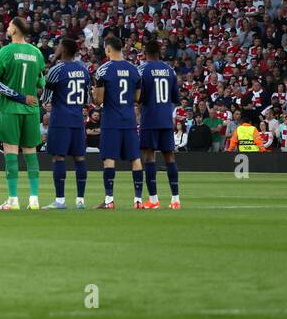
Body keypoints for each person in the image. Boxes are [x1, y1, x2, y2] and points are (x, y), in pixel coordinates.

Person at [0, 18, 45, 210]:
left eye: (8, 26)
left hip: (11, 109)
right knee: (31, 154)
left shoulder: (6, 51)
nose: (6, 28)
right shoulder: (36, 52)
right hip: (32, 110)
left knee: (11, 154)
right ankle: (34, 199)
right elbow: (41, 83)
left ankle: (13, 199)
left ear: (14, 29)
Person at [41, 38, 92, 210]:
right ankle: (80, 201)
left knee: (59, 157)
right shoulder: (83, 70)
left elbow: (46, 99)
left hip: (60, 119)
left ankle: (60, 200)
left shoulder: (56, 70)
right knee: (79, 158)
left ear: (62, 49)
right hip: (77, 119)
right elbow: (86, 99)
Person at [93, 36, 143, 209]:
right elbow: (137, 98)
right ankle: (138, 200)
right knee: (135, 159)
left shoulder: (103, 70)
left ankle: (109, 200)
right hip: (129, 119)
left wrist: (95, 93)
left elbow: (98, 100)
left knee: (109, 158)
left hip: (111, 120)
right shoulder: (134, 70)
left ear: (108, 49)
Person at [137, 41, 182, 210]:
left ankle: (154, 199)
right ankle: (175, 199)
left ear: (145, 52)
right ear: (159, 53)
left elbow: (139, 97)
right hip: (166, 119)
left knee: (149, 157)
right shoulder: (169, 70)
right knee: (170, 157)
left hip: (150, 119)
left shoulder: (142, 70)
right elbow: (175, 98)